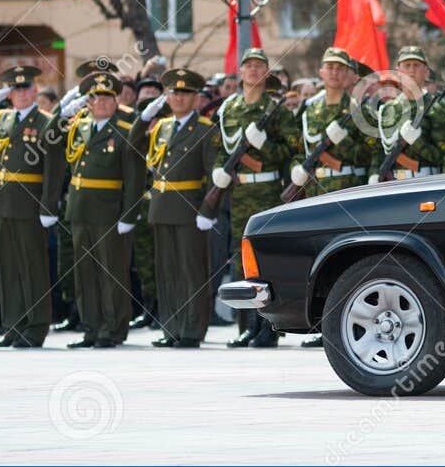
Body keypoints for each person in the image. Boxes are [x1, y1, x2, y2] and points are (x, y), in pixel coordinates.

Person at [0, 65, 63, 348]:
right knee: (9, 268)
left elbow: (54, 170)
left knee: (32, 267)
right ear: (8, 94)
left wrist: (48, 207)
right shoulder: (1, 118)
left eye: (26, 88)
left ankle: (36, 327)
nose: (21, 93)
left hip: (29, 202)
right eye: (15, 89)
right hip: (2, 201)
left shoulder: (47, 122)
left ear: (35, 91)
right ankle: (13, 326)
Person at [217, 48, 297, 348]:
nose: (252, 70)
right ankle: (247, 326)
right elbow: (220, 149)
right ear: (240, 72)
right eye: (247, 65)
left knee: (264, 263)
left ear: (266, 73)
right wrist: (219, 172)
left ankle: (269, 328)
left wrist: (264, 149)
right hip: (240, 193)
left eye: (258, 66)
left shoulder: (275, 109)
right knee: (241, 262)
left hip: (267, 191)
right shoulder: (229, 108)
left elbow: (291, 151)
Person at [63, 71, 145, 349]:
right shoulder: (79, 127)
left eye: (106, 97)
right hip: (80, 209)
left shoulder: (125, 129)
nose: (100, 103)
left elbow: (134, 178)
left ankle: (112, 328)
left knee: (111, 272)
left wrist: (129, 214)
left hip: (109, 210)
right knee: (84, 272)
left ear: (115, 100)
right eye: (95, 98)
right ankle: (91, 327)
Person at [144, 67, 224, 347]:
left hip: (189, 208)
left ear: (195, 98)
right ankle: (171, 328)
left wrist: (208, 211)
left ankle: (191, 330)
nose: (178, 98)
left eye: (185, 93)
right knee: (167, 272)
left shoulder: (205, 130)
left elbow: (216, 177)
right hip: (161, 206)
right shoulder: (162, 128)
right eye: (174, 93)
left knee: (192, 271)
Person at [290, 47, 380, 196]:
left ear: (346, 73)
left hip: (348, 188)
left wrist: (343, 142)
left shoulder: (360, 110)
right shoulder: (309, 111)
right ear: (321, 72)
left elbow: (372, 153)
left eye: (340, 68)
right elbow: (300, 149)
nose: (334, 72)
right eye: (330, 67)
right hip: (315, 190)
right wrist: (295, 167)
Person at [375, 45, 445, 179]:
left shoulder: (438, 107)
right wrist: (374, 175)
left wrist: (417, 142)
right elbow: (379, 152)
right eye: (407, 65)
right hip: (395, 183)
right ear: (398, 71)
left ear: (426, 72)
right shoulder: (388, 109)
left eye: (416, 65)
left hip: (426, 181)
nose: (411, 71)